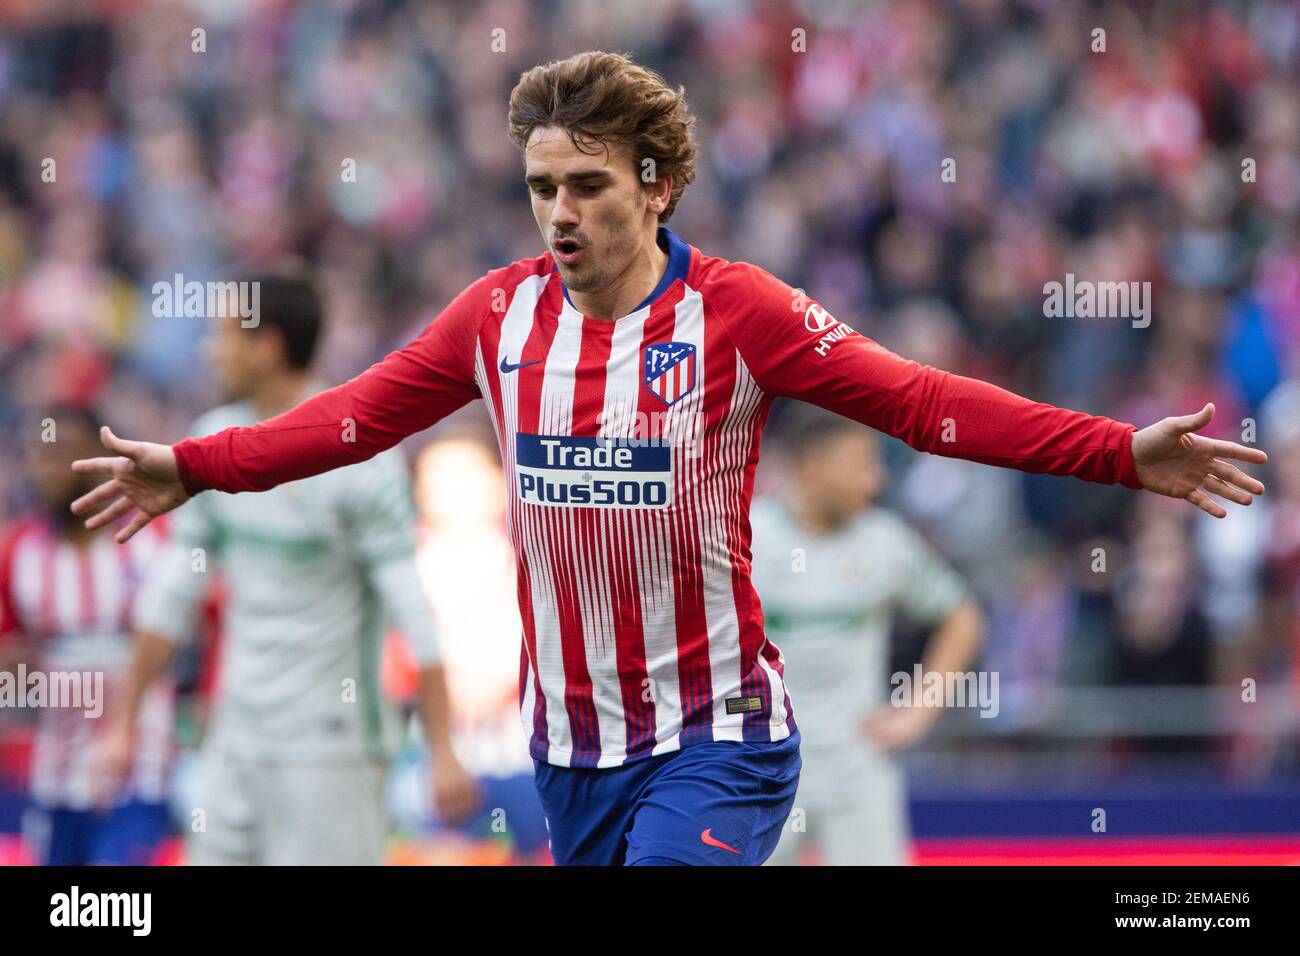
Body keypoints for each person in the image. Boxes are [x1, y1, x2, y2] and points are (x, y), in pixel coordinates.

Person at [69, 52, 1267, 866]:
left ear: (658, 185)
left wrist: (1119, 452)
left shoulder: (741, 315)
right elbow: (349, 420)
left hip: (721, 730)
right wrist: (198, 462)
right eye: (542, 187)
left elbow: (920, 404)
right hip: (570, 747)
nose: (558, 212)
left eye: (586, 185)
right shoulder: (496, 319)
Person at [95, 273, 477, 865]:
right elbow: (171, 597)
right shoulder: (206, 444)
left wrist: (444, 750)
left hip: (332, 747)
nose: (210, 348)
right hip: (234, 738)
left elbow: (414, 614)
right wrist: (122, 725)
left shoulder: (361, 462)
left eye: (223, 333)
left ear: (267, 346)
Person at [752, 407, 983, 865]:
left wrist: (919, 711)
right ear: (809, 467)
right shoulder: (746, 538)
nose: (874, 481)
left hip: (857, 766)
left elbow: (963, 616)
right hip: (761, 766)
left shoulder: (885, 543)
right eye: (860, 465)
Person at [0, 407, 172, 865]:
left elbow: (197, 626)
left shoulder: (152, 541)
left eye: (57, 456)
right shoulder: (17, 552)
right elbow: (13, 657)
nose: (43, 469)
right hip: (55, 775)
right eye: (35, 457)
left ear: (98, 459)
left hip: (139, 769)